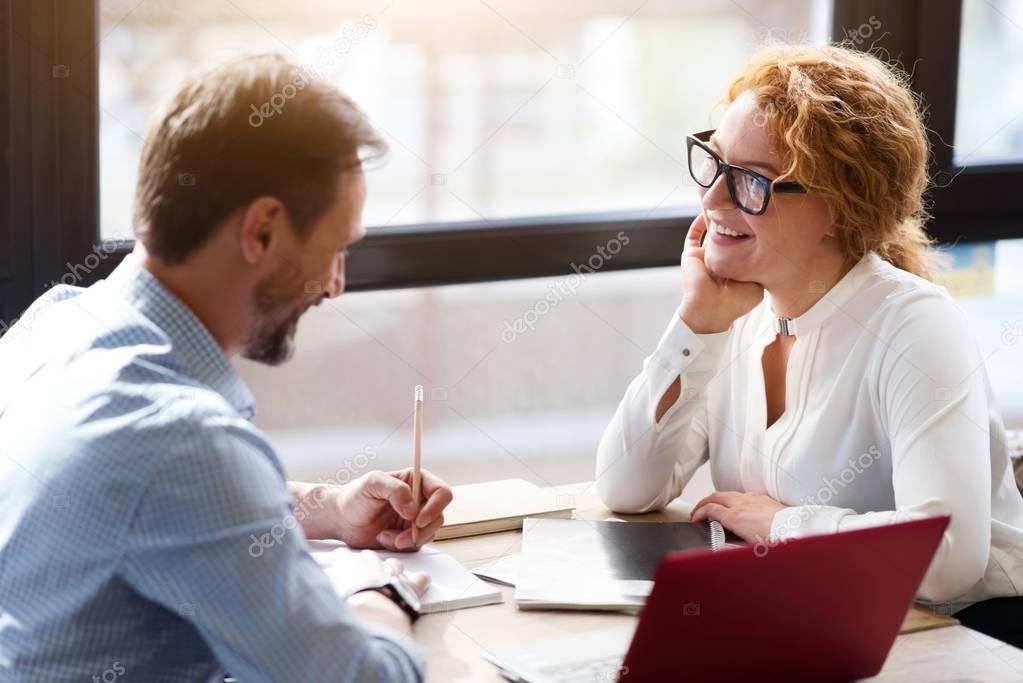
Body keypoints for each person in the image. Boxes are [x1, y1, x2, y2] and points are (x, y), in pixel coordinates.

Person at [0, 54, 452, 681]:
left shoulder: (53, 326)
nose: (336, 285)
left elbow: (149, 506)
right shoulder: (180, 442)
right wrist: (382, 594)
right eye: (335, 249)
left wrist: (327, 508)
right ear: (262, 230)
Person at [595, 44, 1023, 648]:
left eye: (750, 181)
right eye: (715, 163)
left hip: (966, 632)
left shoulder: (916, 325)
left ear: (839, 208)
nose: (712, 199)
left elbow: (947, 557)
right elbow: (626, 487)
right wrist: (695, 327)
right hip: (817, 616)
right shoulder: (740, 310)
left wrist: (783, 525)